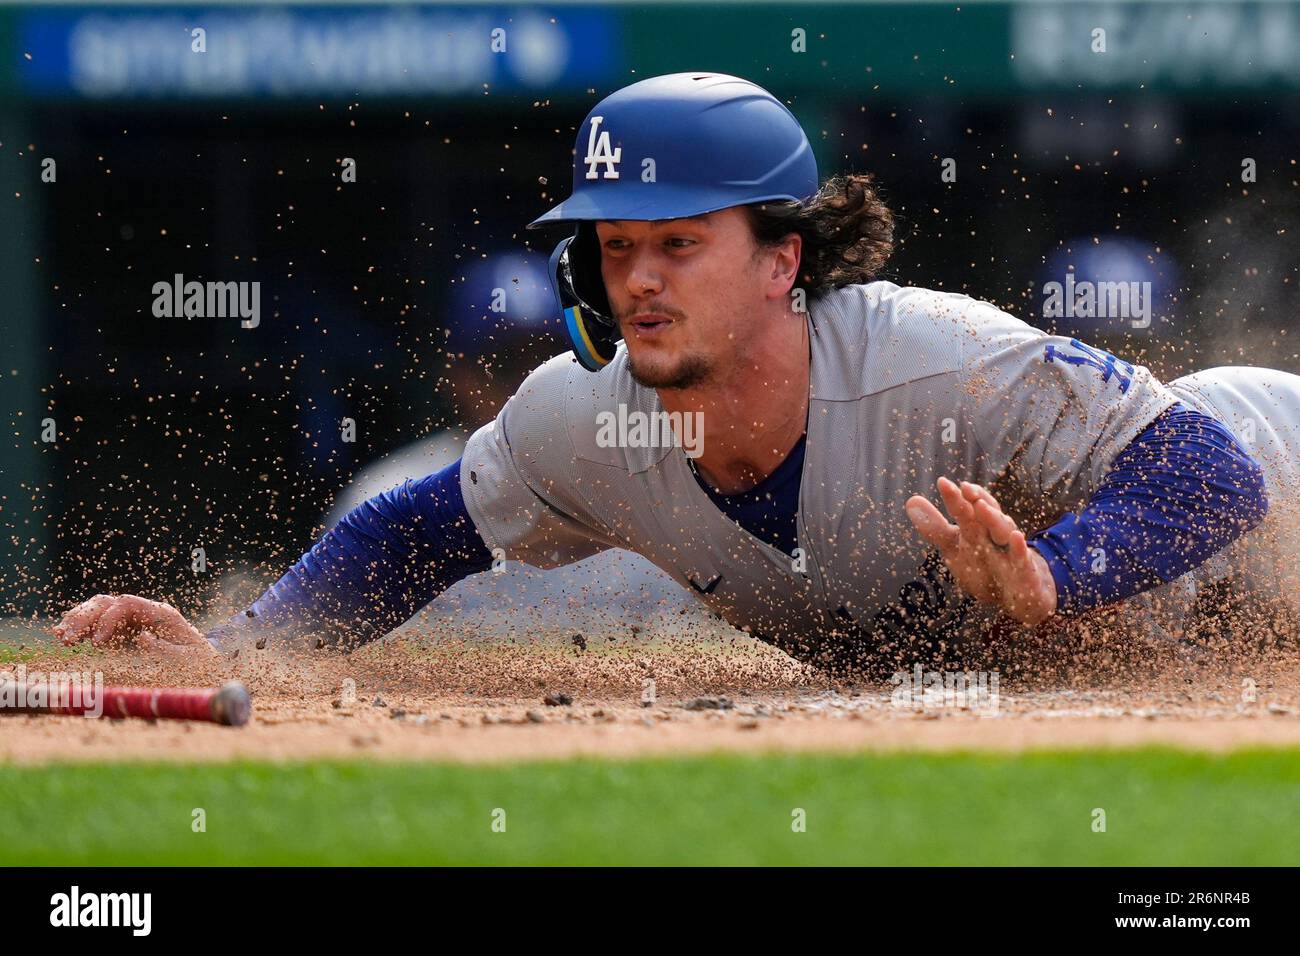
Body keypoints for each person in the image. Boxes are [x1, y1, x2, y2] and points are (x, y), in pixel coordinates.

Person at [55, 73, 1300, 677]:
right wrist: (238, 649)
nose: (638, 279)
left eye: (680, 243)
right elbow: (418, 531)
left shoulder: (936, 357)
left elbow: (1212, 469)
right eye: (615, 246)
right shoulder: (583, 419)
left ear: (780, 262)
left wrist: (1053, 570)